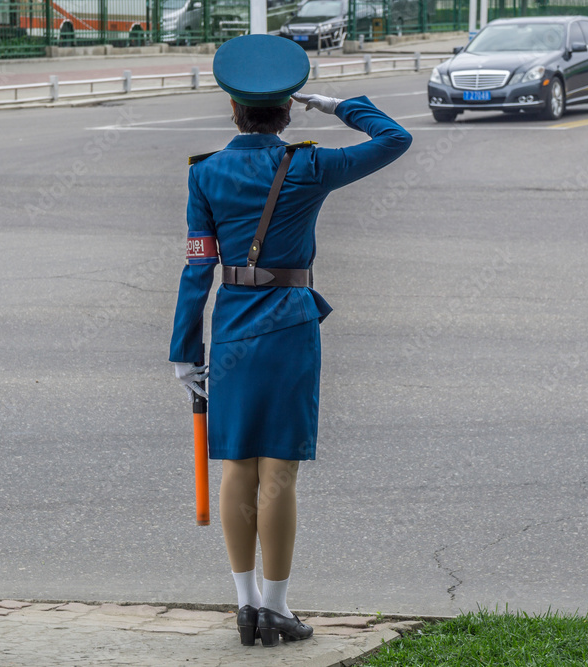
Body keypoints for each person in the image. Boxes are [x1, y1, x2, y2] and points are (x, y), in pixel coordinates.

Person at [169, 34, 411, 648]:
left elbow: (198, 266)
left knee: (234, 468)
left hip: (230, 329)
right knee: (278, 473)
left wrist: (183, 351)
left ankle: (245, 606)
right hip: (291, 326)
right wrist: (333, 105)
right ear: (286, 110)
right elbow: (394, 138)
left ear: (232, 110)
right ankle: (277, 608)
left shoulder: (207, 173)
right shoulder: (308, 166)